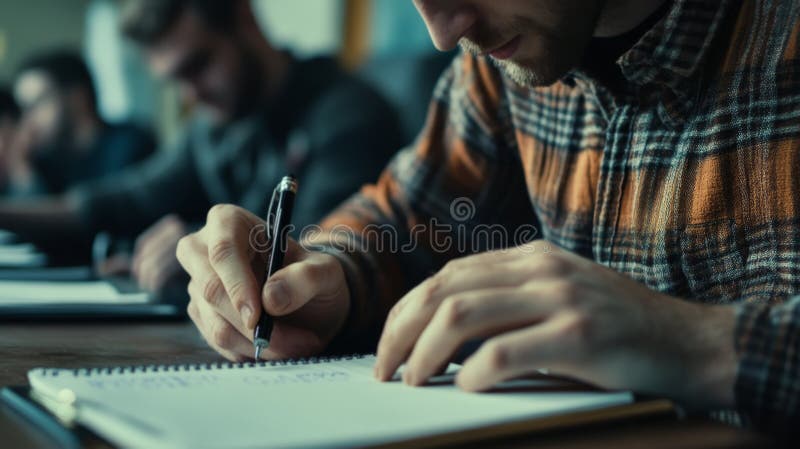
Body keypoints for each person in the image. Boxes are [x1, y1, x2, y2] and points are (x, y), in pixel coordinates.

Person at [176, 0, 800, 433]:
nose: (443, 32)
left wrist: (692, 342)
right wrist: (321, 277)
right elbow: (403, 214)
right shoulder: (504, 54)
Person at [0, 0, 403, 292]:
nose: (191, 95)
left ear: (245, 18)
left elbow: (326, 245)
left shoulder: (348, 113)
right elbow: (127, 198)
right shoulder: (213, 127)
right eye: (175, 80)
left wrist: (203, 247)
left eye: (198, 66)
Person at [4, 50, 155, 195]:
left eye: (37, 103)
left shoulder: (131, 142)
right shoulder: (43, 161)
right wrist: (22, 171)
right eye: (23, 109)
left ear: (77, 98)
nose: (28, 120)